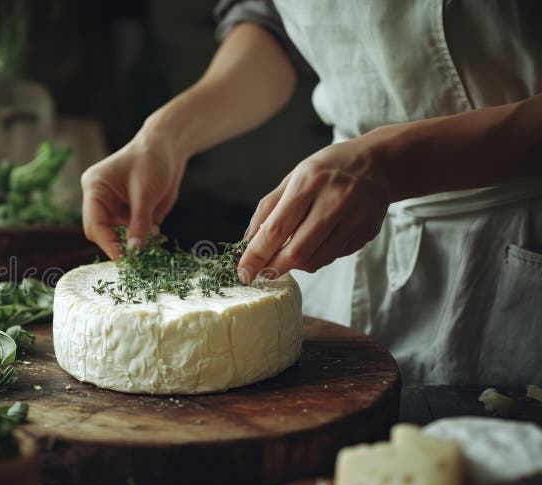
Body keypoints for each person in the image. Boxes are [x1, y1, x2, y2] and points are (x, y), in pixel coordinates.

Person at [80, 0, 542, 386]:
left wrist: (393, 161)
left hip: (517, 241)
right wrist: (165, 136)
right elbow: (276, 27)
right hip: (346, 248)